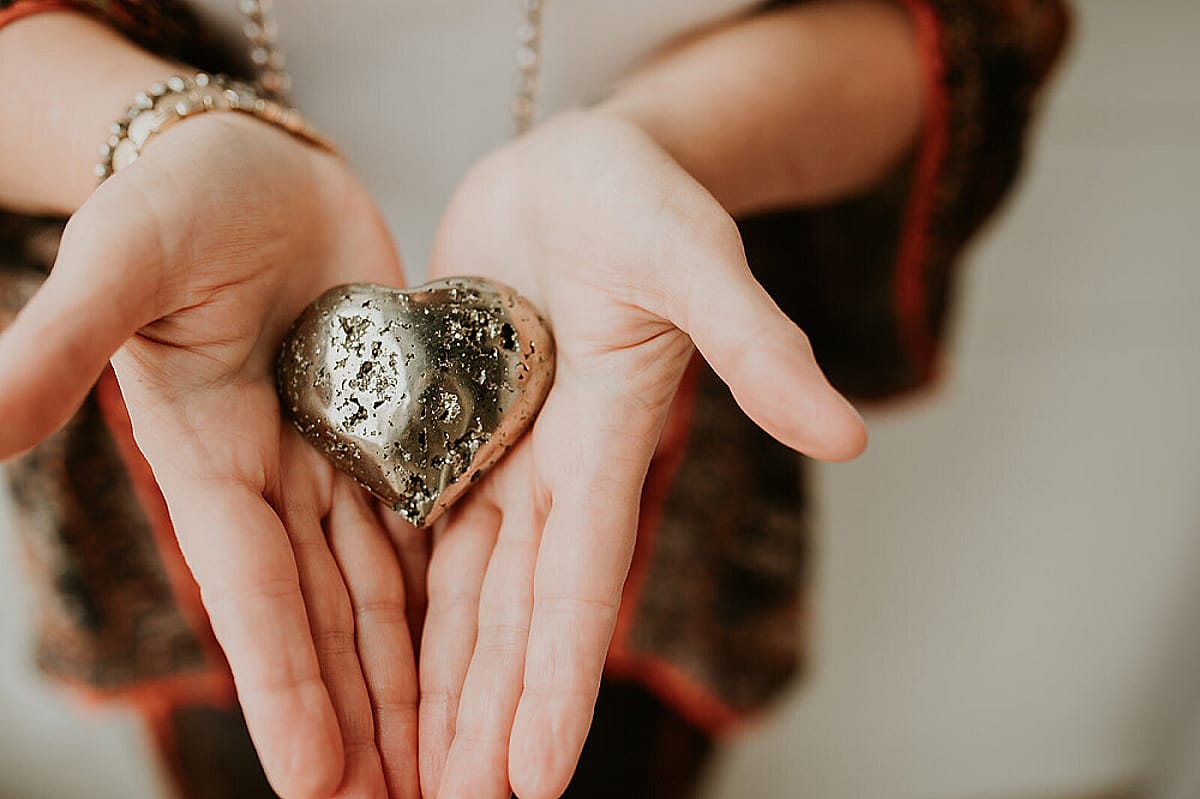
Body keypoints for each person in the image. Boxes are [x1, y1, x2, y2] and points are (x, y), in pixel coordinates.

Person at [0, 1, 1069, 797]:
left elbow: (986, 29)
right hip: (201, 454)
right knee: (274, 745)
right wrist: (148, 134)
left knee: (592, 751)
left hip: (634, 430)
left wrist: (672, 143)